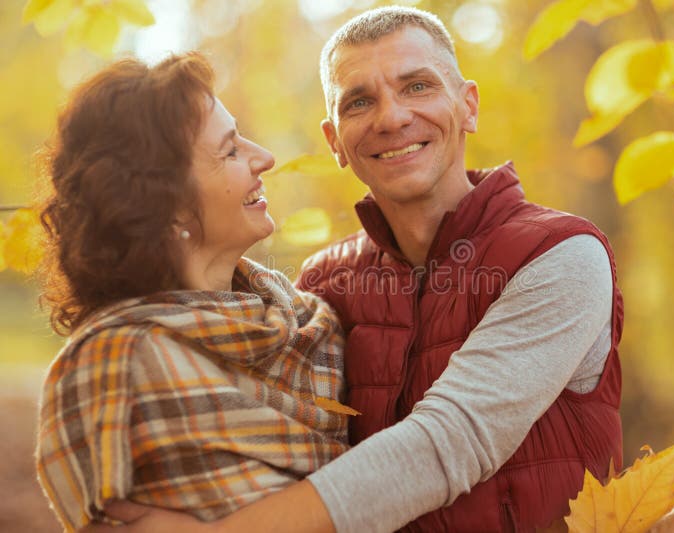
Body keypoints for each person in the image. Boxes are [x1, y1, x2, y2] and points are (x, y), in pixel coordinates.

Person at [84, 6, 624, 533]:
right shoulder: (321, 288)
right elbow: (256, 438)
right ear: (335, 141)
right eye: (360, 101)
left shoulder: (562, 255)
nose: (391, 118)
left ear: (469, 106)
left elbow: (453, 439)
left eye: (417, 86)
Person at [35, 53, 350, 532]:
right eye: (230, 150)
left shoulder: (309, 324)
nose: (264, 157)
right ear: (171, 209)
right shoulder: (119, 363)